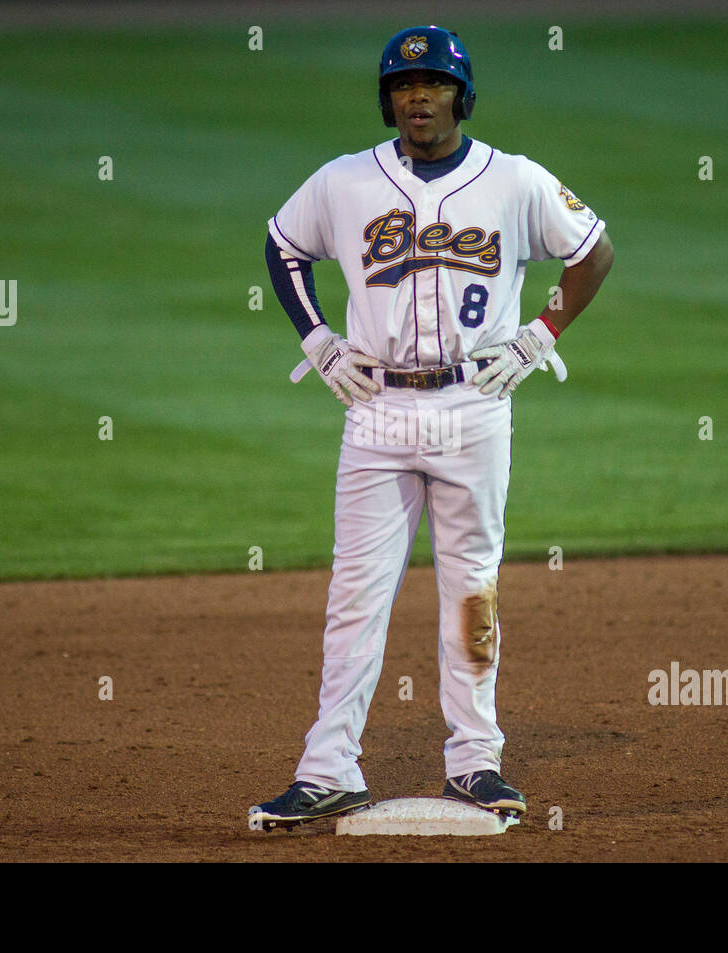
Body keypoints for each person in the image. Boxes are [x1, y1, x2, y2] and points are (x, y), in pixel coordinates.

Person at [249, 25, 613, 829]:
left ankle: (475, 761)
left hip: (474, 407)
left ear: (462, 95)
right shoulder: (346, 182)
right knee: (355, 594)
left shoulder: (514, 182)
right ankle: (327, 769)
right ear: (388, 100)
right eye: (405, 86)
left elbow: (591, 250)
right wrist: (316, 337)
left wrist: (542, 332)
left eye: (434, 85)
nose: (419, 98)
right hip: (375, 410)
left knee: (471, 590)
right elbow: (282, 245)